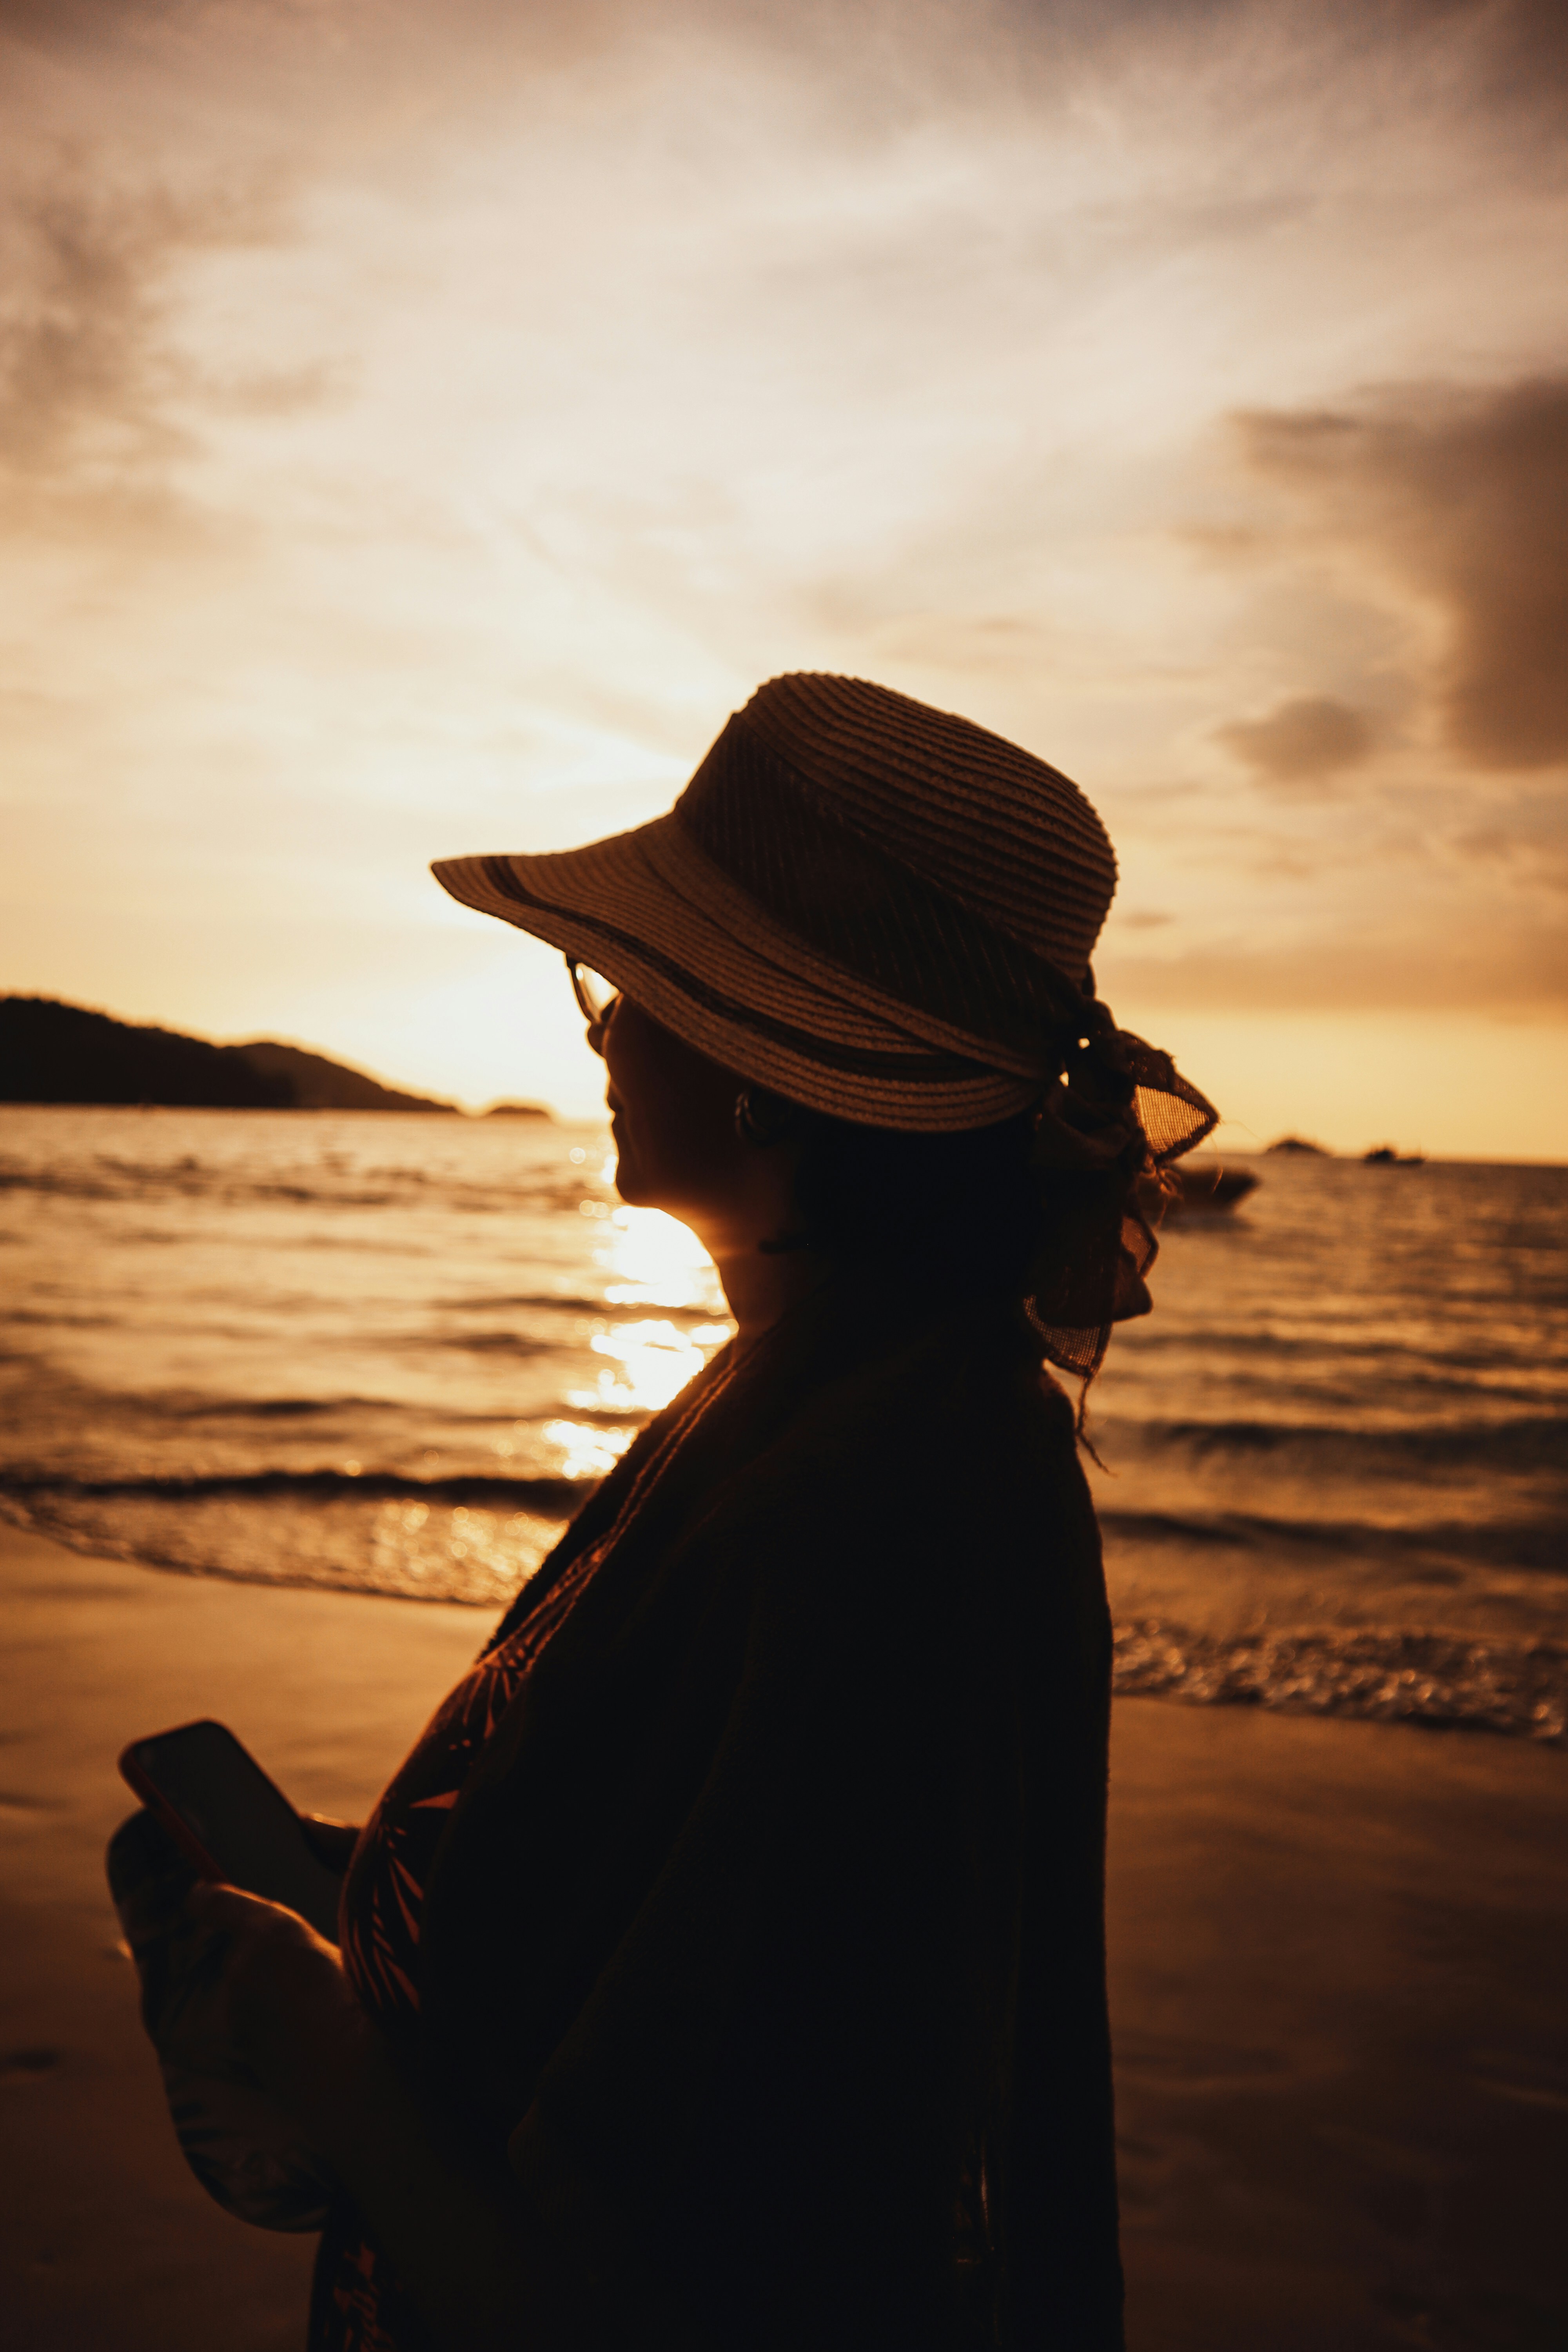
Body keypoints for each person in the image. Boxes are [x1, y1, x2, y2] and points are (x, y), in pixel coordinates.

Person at [137, 674, 1214, 2350]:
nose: (598, 1029)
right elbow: (674, 1883)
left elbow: (686, 2284)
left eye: (628, 984)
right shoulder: (809, 1380)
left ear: (766, 1069)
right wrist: (363, 1884)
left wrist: (320, 2050)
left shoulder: (894, 1514)